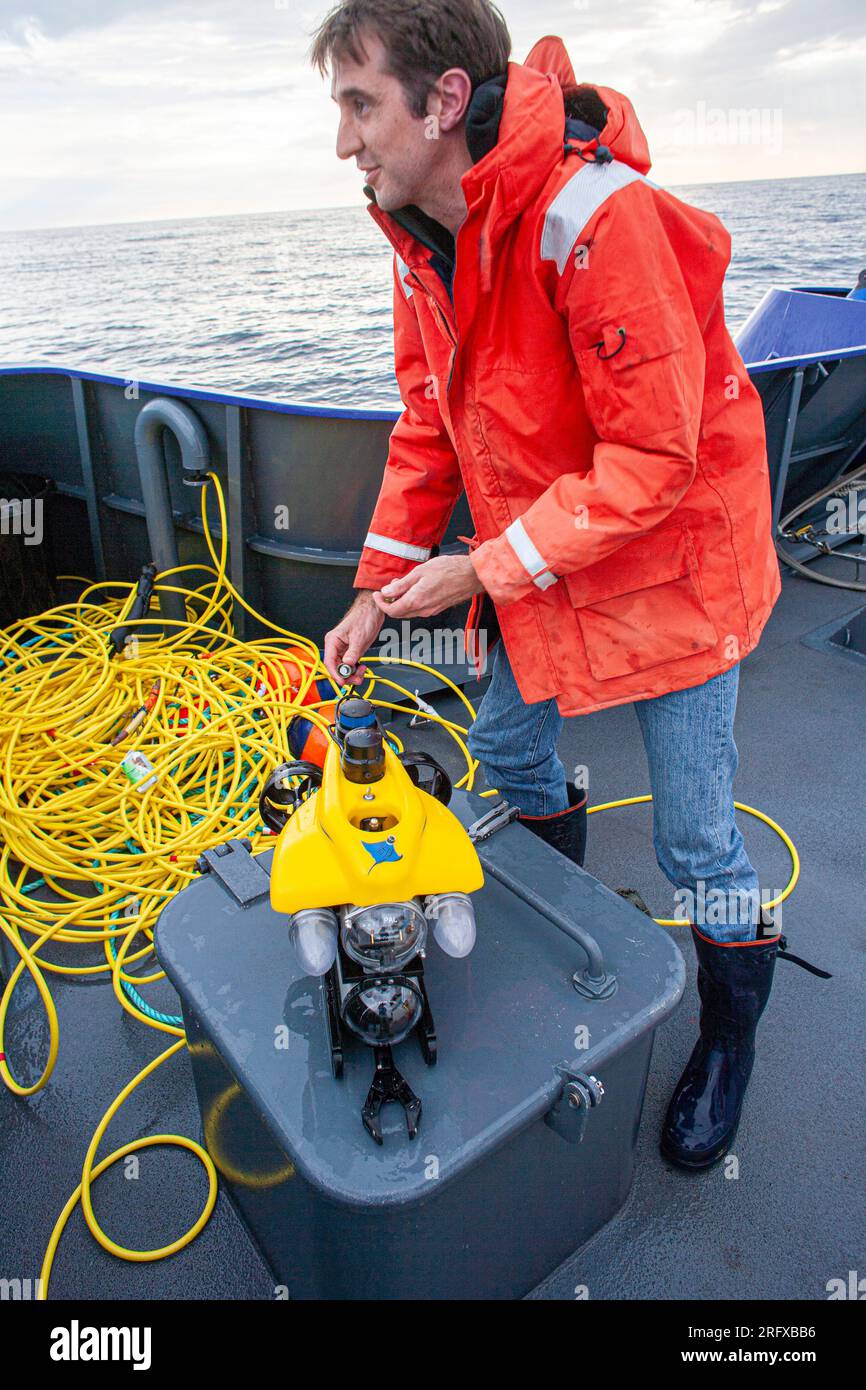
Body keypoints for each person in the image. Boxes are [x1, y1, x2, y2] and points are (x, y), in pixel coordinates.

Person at [313, 0, 783, 1170]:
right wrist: (375, 593)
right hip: (544, 558)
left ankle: (729, 1031)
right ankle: (560, 904)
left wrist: (479, 567)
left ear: (443, 103)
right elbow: (428, 427)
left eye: (360, 105)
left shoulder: (594, 217)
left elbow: (653, 457)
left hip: (675, 567)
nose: (343, 142)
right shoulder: (414, 232)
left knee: (696, 846)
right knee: (511, 752)